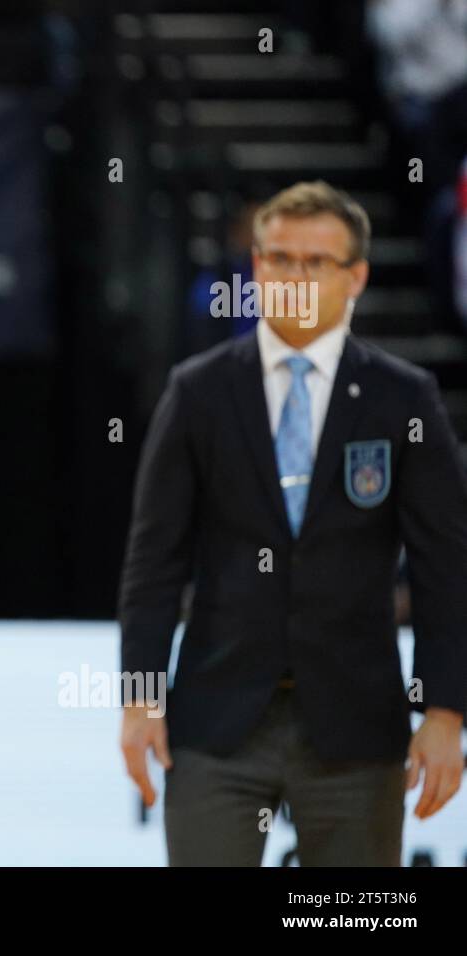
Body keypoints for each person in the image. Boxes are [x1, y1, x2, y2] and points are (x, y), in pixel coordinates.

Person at [118, 180, 467, 866]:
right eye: (278, 259)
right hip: (216, 721)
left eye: (316, 262)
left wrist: (447, 715)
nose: (294, 276)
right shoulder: (200, 390)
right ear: (256, 270)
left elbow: (446, 568)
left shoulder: (405, 398)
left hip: (359, 725)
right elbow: (153, 559)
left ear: (357, 276)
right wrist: (139, 699)